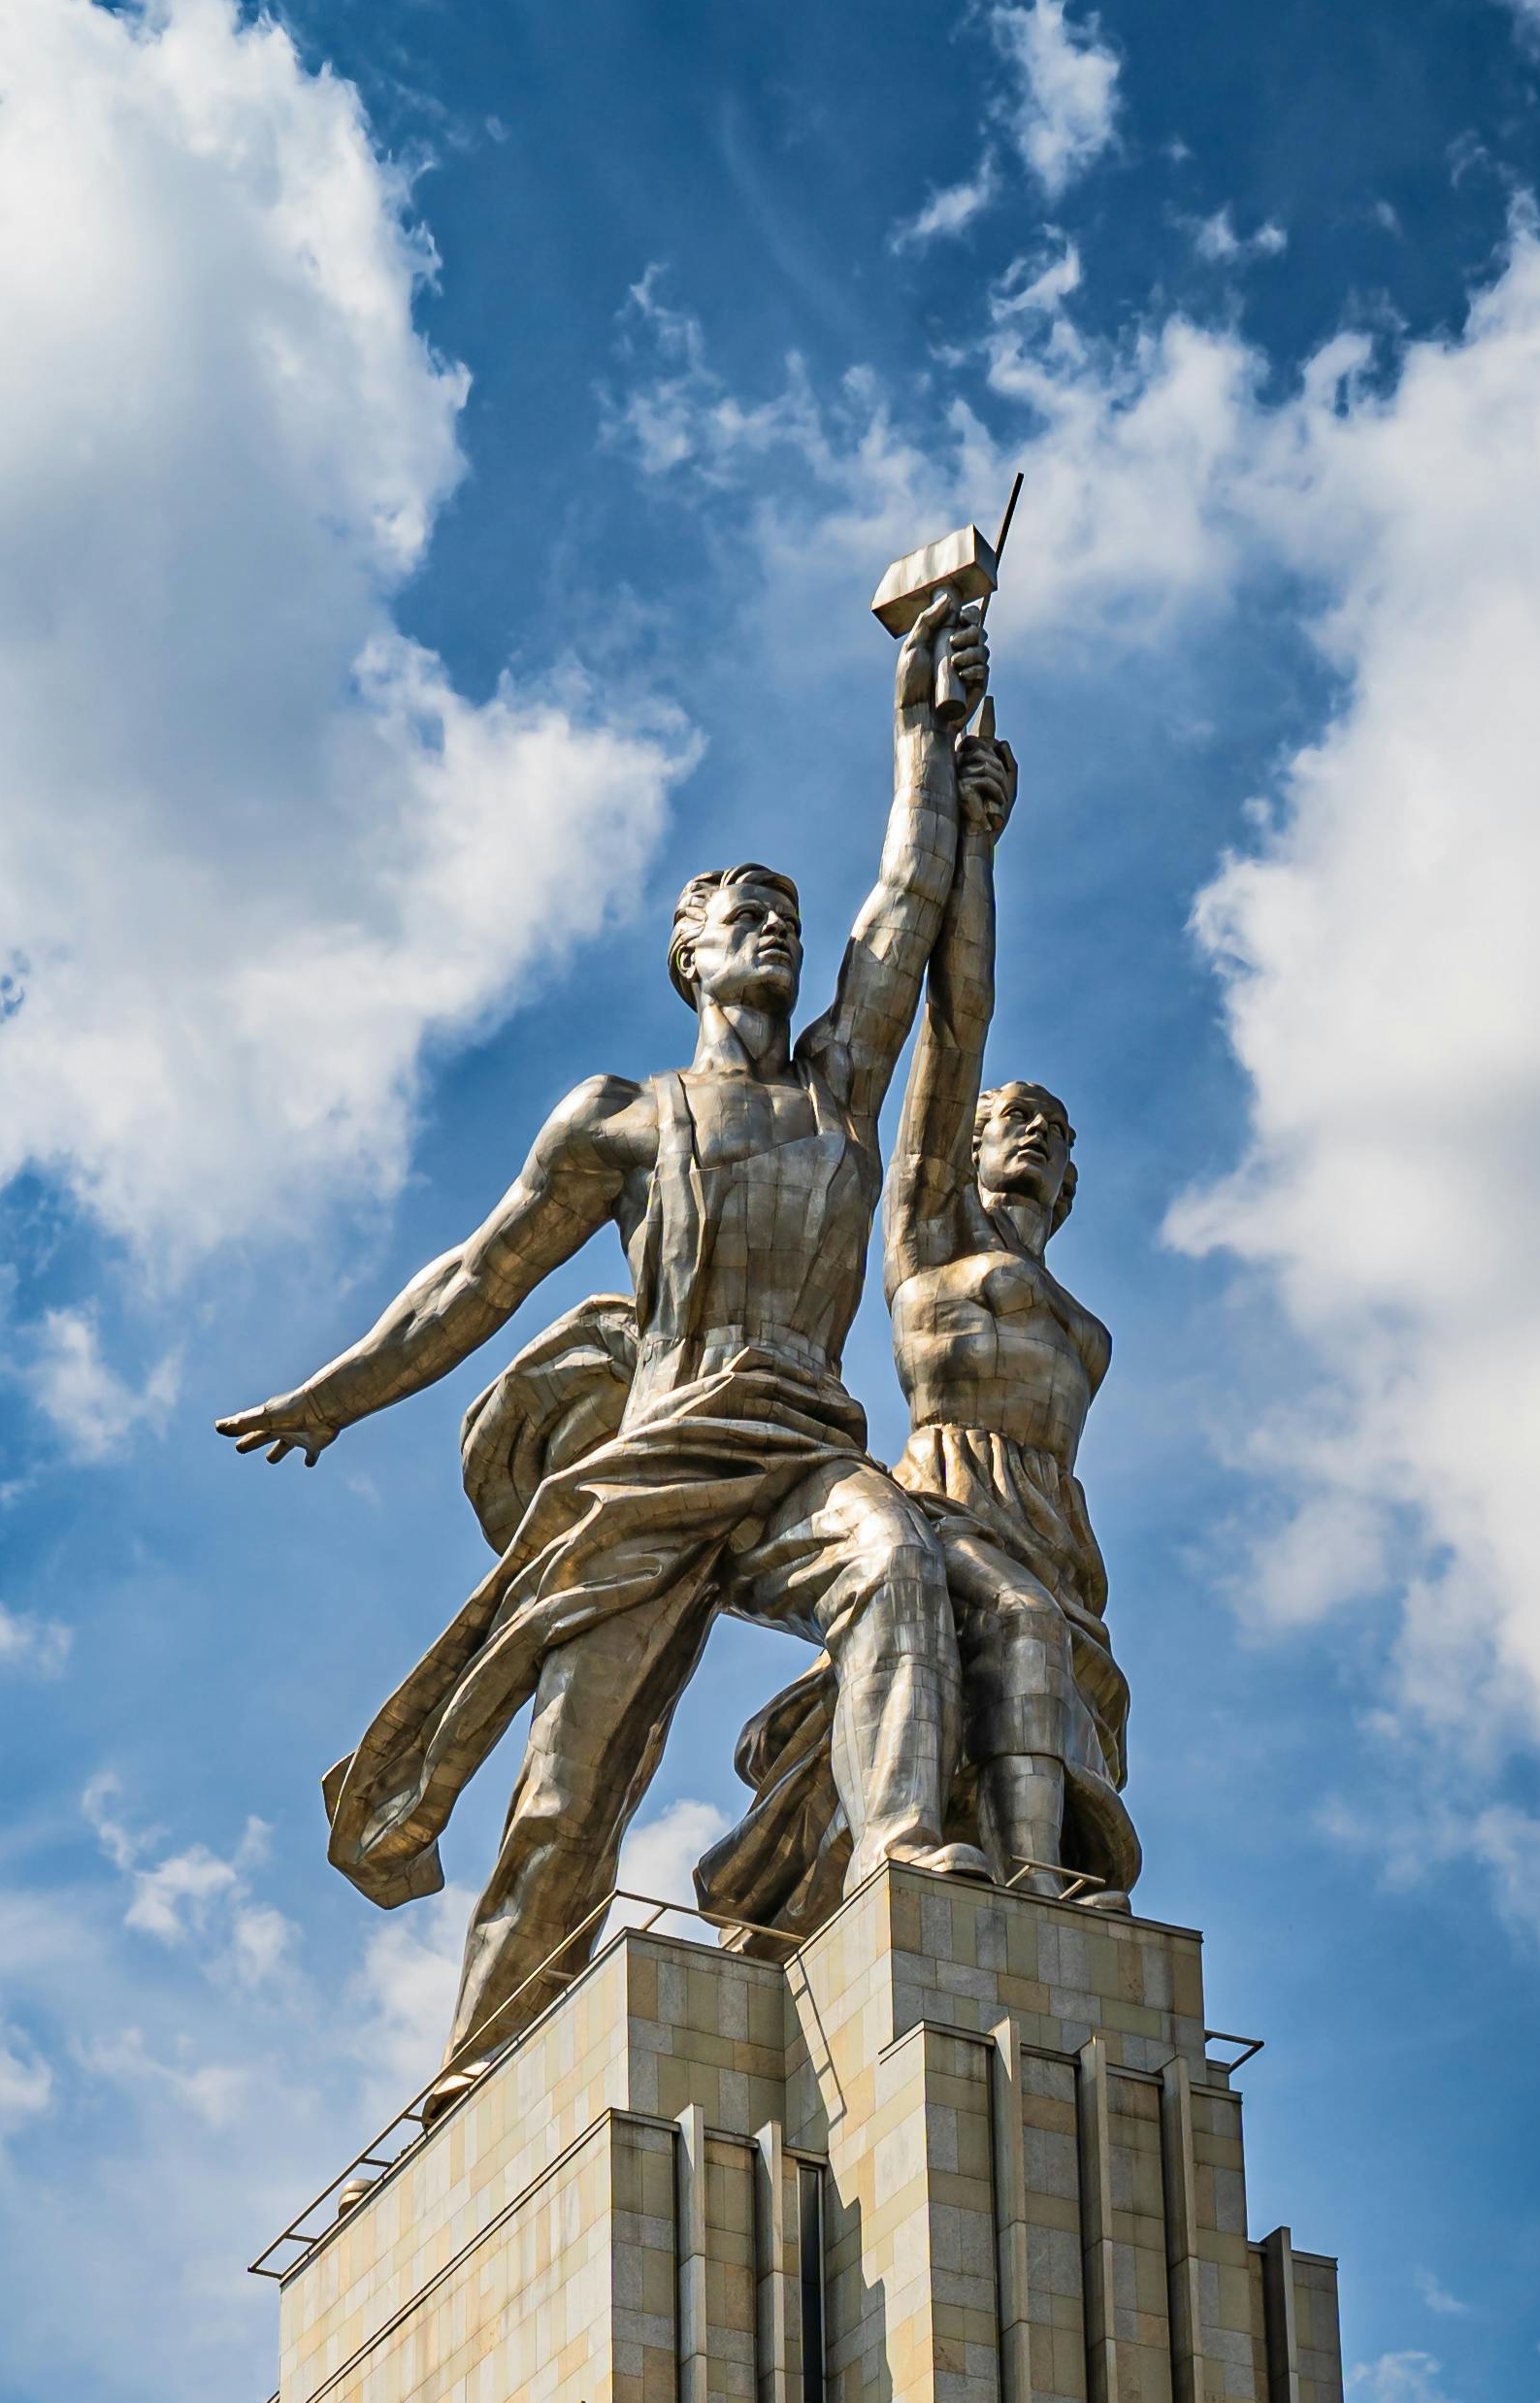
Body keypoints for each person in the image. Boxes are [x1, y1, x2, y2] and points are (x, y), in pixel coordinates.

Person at [222, 593, 999, 2107]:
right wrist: (340, 1391)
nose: (775, 926)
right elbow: (479, 1275)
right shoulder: (623, 1118)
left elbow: (905, 905)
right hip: (653, 1465)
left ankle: (903, 1851)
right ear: (688, 959)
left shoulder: (842, 1089)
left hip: (792, 1453)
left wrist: (919, 735)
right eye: (741, 915)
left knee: (894, 1563)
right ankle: (485, 2061)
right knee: (568, 1790)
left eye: (787, 912)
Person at [711, 720, 1137, 1938]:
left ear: (1071, 1181)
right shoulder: (929, 1245)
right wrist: (979, 846)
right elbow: (960, 1021)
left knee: (1035, 1666)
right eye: (1015, 1118)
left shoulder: (1087, 1331)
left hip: (1050, 1520)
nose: (1035, 1132)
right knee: (1008, 1625)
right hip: (945, 1495)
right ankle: (1019, 1881)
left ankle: (1031, 1885)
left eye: (1056, 1129)